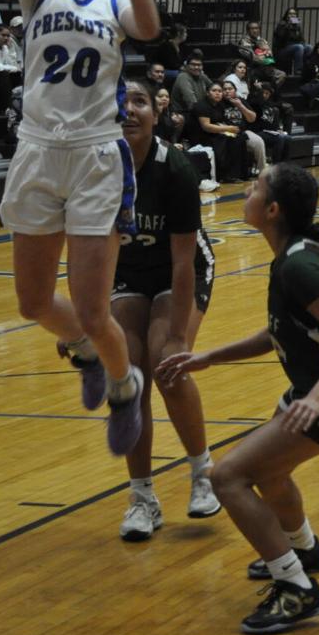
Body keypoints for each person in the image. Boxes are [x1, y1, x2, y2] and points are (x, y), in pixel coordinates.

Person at [157, 163, 319, 635]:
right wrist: (209, 358)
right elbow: (281, 331)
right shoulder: (293, 255)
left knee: (228, 477)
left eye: (256, 186)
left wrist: (317, 397)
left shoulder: (298, 265)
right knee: (271, 473)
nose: (248, 189)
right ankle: (303, 549)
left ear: (273, 209)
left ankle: (295, 588)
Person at [1, 0, 160, 456]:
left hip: (96, 153)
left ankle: (125, 387)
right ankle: (90, 355)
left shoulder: (114, 1)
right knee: (31, 302)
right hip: (38, 150)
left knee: (97, 307)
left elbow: (149, 27)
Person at [107, 79, 221, 541]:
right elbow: (92, 250)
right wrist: (81, 324)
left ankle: (203, 474)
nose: (130, 111)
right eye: (121, 103)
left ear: (157, 112)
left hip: (183, 268)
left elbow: (181, 261)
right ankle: (142, 498)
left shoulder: (174, 168)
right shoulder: (98, 167)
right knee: (128, 380)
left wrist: (176, 333)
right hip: (128, 270)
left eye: (140, 102)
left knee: (167, 363)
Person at [194, 80, 246, 182]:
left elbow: (220, 122)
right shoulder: (202, 105)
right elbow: (206, 126)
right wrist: (228, 128)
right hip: (201, 135)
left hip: (215, 132)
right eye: (214, 90)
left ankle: (240, 174)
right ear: (207, 92)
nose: (217, 93)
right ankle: (224, 175)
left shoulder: (219, 105)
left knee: (239, 138)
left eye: (219, 91)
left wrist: (231, 129)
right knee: (225, 140)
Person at [222, 79, 266, 175]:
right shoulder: (219, 102)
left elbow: (252, 119)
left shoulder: (241, 101)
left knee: (258, 141)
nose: (227, 91)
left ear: (235, 90)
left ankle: (262, 171)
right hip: (226, 132)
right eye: (225, 89)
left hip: (243, 131)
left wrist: (240, 106)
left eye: (230, 89)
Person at [272, 7, 312, 77]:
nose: (292, 15)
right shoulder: (282, 24)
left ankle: (307, 70)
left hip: (295, 47)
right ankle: (298, 71)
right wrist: (288, 25)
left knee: (309, 47)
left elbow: (301, 39)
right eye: (290, 13)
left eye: (294, 14)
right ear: (286, 15)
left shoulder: (297, 26)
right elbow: (280, 38)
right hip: (282, 49)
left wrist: (303, 44)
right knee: (299, 47)